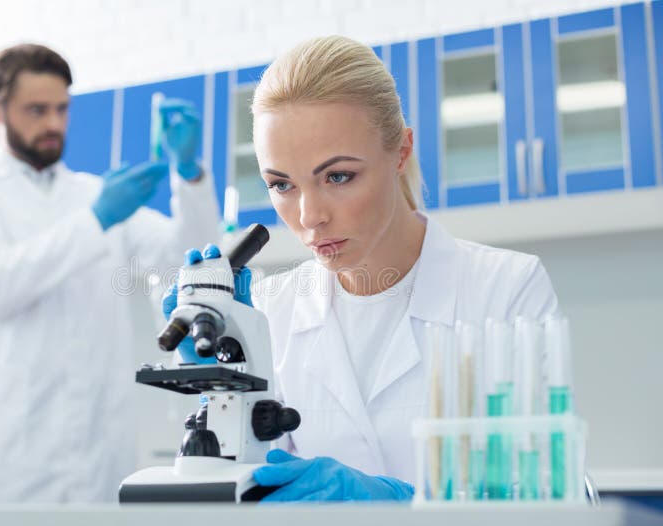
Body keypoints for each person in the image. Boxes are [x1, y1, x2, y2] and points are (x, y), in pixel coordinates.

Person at [167, 36, 558, 502]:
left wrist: (399, 505)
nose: (309, 216)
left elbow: (548, 497)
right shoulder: (271, 309)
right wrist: (231, 385)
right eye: (282, 184)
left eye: (338, 176)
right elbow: (253, 489)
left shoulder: (506, 291)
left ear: (401, 151)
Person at [0, 43, 219, 504]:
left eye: (61, 108)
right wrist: (97, 219)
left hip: (94, 457)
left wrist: (190, 176)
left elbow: (187, 261)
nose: (53, 124)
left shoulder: (94, 192)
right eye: (36, 110)